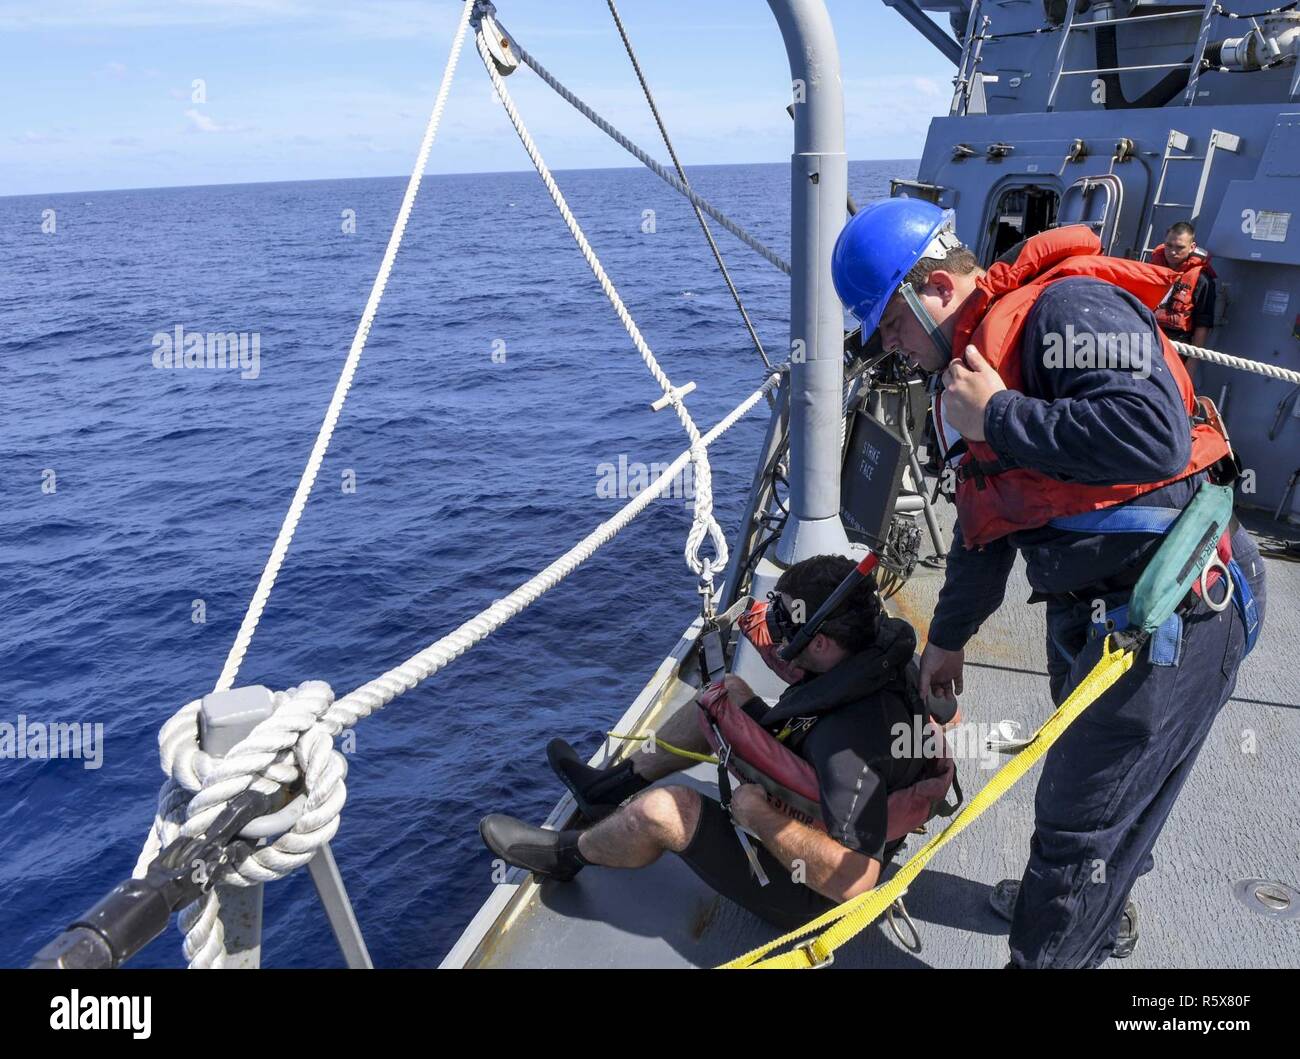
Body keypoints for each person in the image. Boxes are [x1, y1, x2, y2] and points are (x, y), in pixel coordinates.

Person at [829, 197, 1266, 968]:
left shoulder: (1063, 312)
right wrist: (949, 641)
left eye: (890, 325)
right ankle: (1102, 905)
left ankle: (1051, 943)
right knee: (1107, 797)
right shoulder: (968, 372)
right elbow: (984, 518)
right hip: (1103, 611)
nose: (892, 347)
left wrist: (997, 414)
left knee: (1077, 820)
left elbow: (1153, 434)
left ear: (932, 288)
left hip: (1176, 608)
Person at [478, 555, 949, 932]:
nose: (778, 629)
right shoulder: (876, 651)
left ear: (822, 644)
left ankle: (568, 856)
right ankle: (605, 790)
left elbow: (857, 882)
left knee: (667, 811)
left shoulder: (849, 749)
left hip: (813, 891)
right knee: (728, 696)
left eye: (787, 623)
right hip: (815, 787)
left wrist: (759, 817)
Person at [1152, 221, 1217, 381]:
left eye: (1179, 247)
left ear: (1192, 247)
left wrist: (1191, 368)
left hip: (1176, 349)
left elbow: (1203, 325)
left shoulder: (1202, 281)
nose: (1173, 252)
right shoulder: (1151, 270)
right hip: (1146, 342)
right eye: (1169, 246)